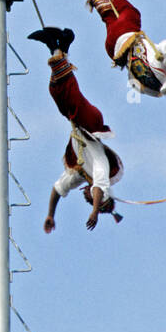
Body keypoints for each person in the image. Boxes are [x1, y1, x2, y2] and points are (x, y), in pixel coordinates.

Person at [29, 26, 126, 232]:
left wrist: (50, 215)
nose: (86, 199)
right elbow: (100, 189)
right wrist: (94, 212)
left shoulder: (80, 174)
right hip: (91, 123)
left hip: (77, 122)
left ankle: (58, 47)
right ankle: (60, 46)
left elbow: (57, 189)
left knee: (56, 91)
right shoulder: (100, 169)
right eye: (90, 201)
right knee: (70, 95)